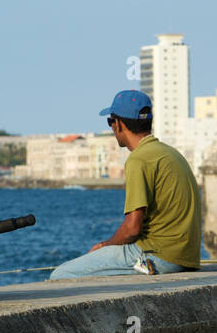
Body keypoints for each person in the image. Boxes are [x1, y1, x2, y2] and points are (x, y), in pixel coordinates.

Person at [49, 90, 201, 277]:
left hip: (157, 257)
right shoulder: (170, 153)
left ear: (119, 124)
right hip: (186, 258)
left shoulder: (138, 159)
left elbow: (132, 228)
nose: (111, 128)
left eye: (110, 121)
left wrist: (106, 245)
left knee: (61, 275)